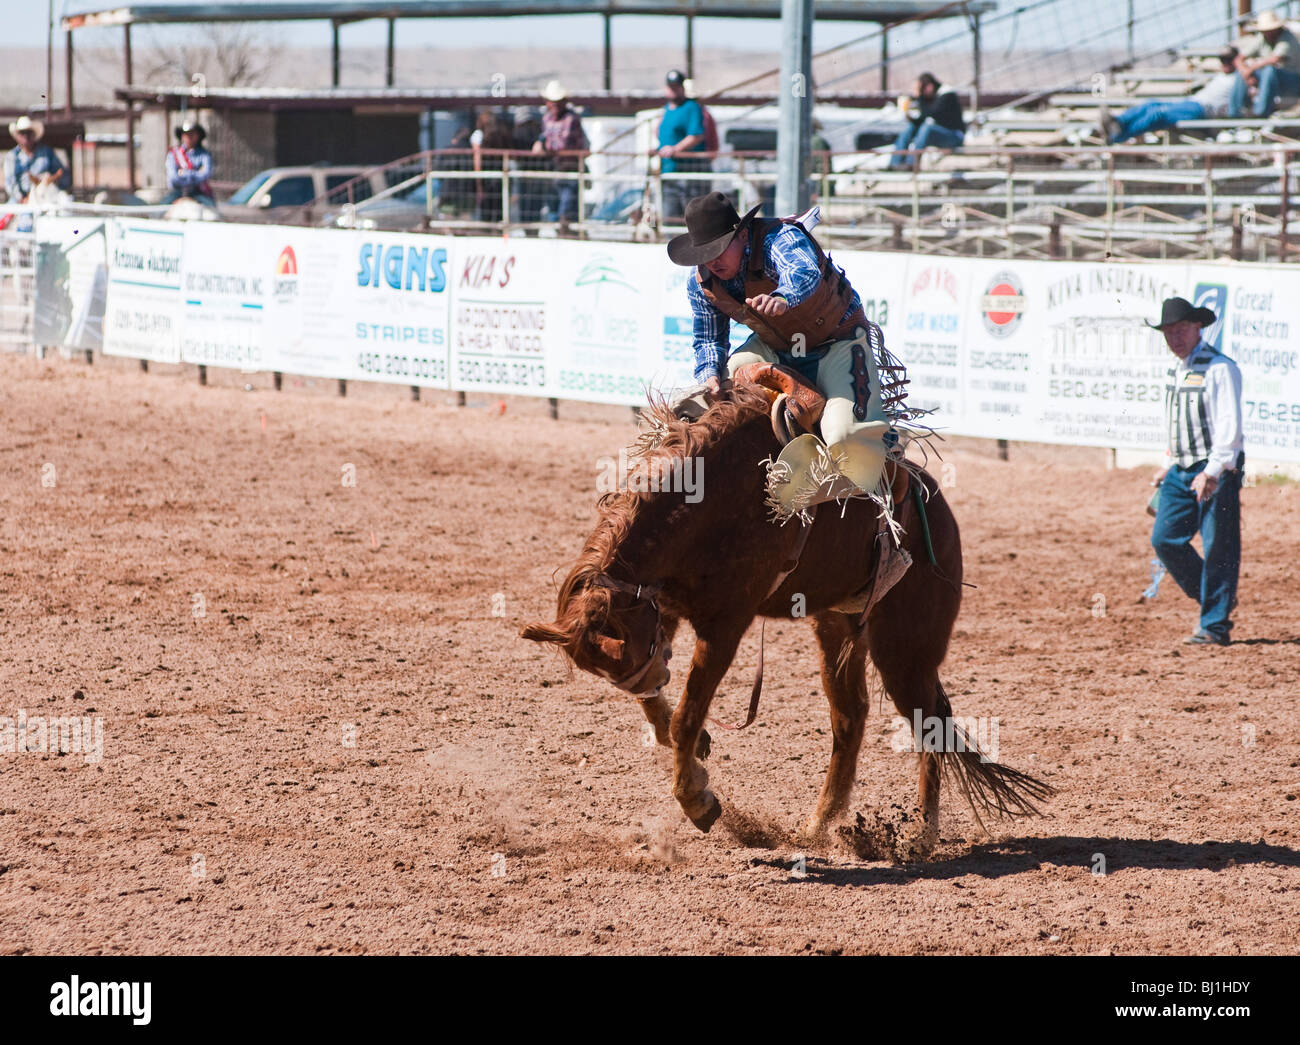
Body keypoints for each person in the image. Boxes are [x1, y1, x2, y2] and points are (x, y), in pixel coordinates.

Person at [667, 191, 898, 519]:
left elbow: (803, 273)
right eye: (703, 255)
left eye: (718, 250)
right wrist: (709, 375)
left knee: (846, 436)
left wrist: (783, 297)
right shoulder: (702, 283)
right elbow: (708, 341)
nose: (712, 262)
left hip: (838, 343)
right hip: (773, 346)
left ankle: (877, 441)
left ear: (743, 234)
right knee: (717, 386)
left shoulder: (780, 238)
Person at [1147, 296, 1244, 646]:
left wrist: (1215, 470)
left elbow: (1229, 426)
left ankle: (1214, 626)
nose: (1175, 337)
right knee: (1164, 539)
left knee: (1219, 545)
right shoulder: (1178, 368)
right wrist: (1168, 461)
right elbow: (1178, 420)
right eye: (1169, 332)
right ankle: (1215, 599)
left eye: (1181, 329)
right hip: (1182, 467)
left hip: (1214, 468)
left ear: (1197, 328)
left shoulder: (1220, 368)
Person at [1100, 49, 1242, 142]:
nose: (1225, 63)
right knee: (1151, 104)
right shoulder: (1222, 75)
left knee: (1156, 114)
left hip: (1200, 111)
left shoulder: (1239, 78)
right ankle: (1118, 121)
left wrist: (1241, 63)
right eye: (1223, 59)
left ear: (1237, 60)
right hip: (1192, 103)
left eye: (1229, 60)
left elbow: (1248, 81)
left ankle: (1116, 137)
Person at [654, 70, 711, 219]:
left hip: (689, 172)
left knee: (693, 217)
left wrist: (675, 149)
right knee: (668, 215)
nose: (673, 90)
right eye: (670, 87)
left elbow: (696, 135)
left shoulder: (692, 107)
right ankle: (669, 240)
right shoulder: (666, 109)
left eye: (676, 87)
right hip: (668, 171)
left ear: (682, 88)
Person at [532, 81, 588, 224]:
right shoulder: (546, 118)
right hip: (553, 168)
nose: (555, 105)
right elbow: (545, 136)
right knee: (553, 205)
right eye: (552, 101)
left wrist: (543, 147)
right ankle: (560, 228)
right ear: (547, 102)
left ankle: (566, 228)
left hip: (570, 168)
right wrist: (541, 142)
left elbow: (563, 143)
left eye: (558, 101)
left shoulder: (571, 119)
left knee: (568, 205)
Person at [887, 73, 965, 171]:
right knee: (911, 127)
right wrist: (910, 118)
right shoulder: (935, 97)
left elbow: (931, 113)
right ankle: (895, 163)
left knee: (926, 128)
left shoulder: (947, 96)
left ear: (929, 87)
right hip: (940, 133)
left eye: (921, 90)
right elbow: (925, 117)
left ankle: (912, 164)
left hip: (955, 136)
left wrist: (919, 98)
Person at [1233, 9, 1300, 117]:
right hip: (1271, 80)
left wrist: (1250, 69)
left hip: (1293, 81)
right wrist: (1245, 72)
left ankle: (1261, 112)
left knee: (1269, 70)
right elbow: (1239, 58)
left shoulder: (1288, 38)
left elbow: (1275, 59)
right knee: (1241, 72)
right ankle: (1235, 113)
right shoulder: (1262, 38)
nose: (1268, 33)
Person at [4, 115, 70, 203]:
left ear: (34, 134)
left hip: (46, 195)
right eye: (22, 133)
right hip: (21, 199)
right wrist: (22, 198)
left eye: (28, 132)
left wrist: (54, 180)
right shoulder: (12, 156)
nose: (25, 136)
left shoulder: (46, 152)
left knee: (64, 202)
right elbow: (10, 182)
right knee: (12, 214)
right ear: (17, 136)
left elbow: (61, 173)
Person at [162, 120, 215, 207]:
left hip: (199, 192)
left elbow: (206, 174)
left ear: (198, 136)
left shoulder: (204, 154)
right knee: (159, 211)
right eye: (186, 134)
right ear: (182, 136)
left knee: (212, 209)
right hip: (177, 192)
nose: (189, 137)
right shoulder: (173, 154)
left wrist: (185, 173)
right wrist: (196, 173)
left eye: (192, 134)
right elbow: (173, 177)